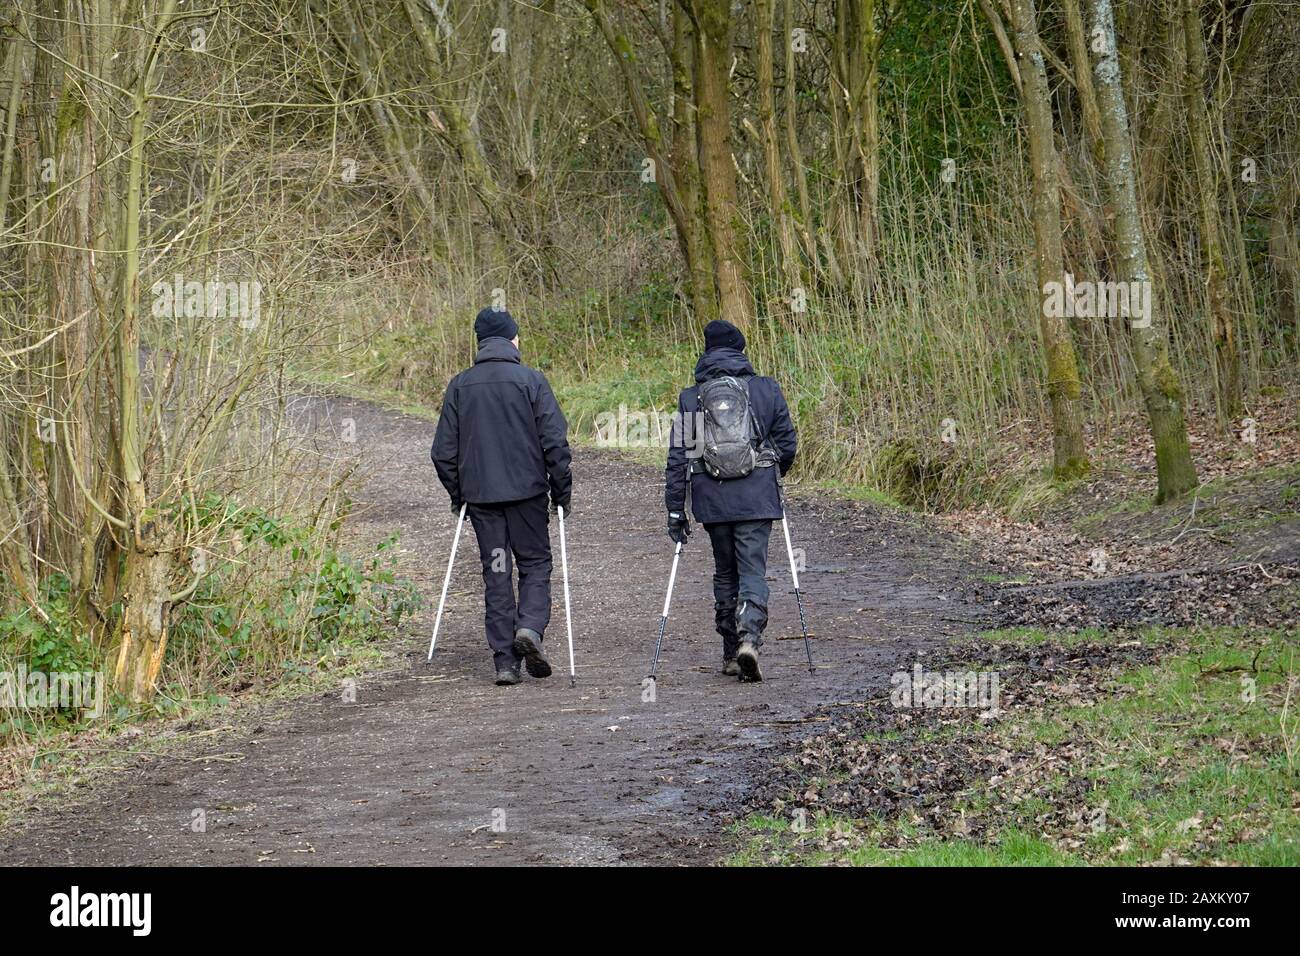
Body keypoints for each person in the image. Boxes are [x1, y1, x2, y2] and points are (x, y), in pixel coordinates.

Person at [432, 307, 572, 686]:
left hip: (483, 501)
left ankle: (505, 663)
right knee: (535, 564)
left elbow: (442, 452)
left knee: (496, 572)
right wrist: (562, 491)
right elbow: (555, 442)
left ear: (480, 342)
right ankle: (529, 627)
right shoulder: (531, 381)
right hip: (527, 496)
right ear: (512, 339)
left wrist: (460, 494)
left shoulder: (460, 386)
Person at [664, 319, 797, 682]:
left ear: (706, 353)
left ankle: (729, 651)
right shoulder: (766, 389)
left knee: (725, 571)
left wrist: (676, 510)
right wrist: (770, 473)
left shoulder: (692, 397)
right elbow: (787, 444)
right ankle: (749, 638)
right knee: (752, 569)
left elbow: (680, 456)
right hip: (756, 496)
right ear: (741, 350)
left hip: (713, 499)